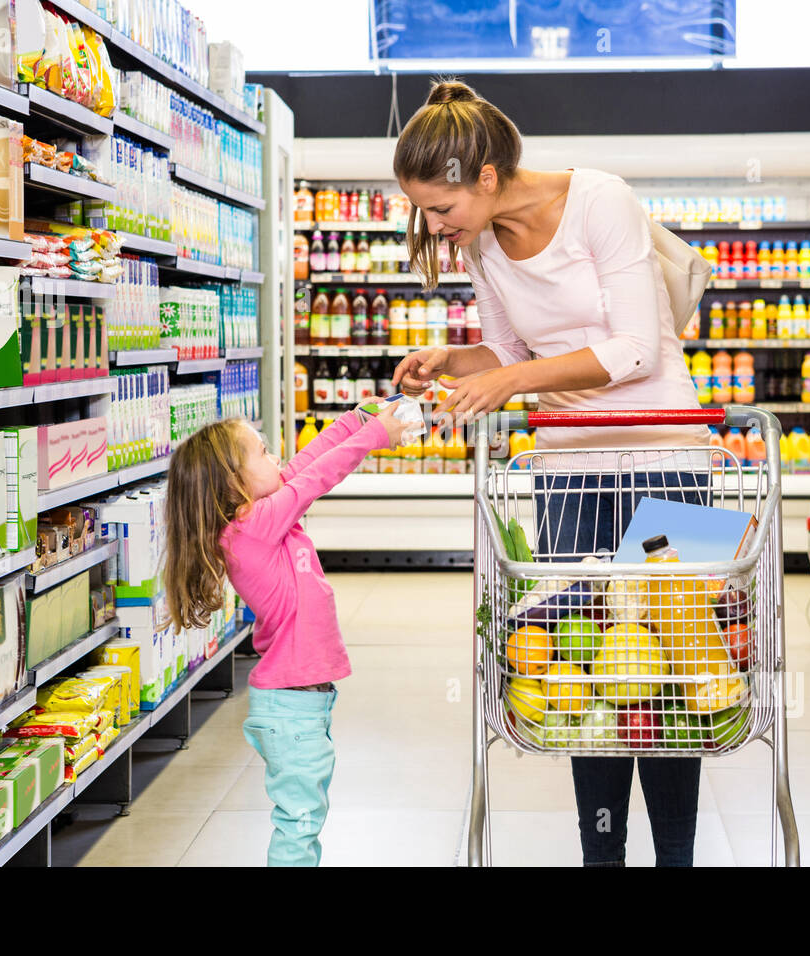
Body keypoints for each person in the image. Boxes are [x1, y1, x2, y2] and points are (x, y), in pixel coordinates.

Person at [391, 79, 711, 867]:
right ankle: (600, 856)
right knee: (581, 667)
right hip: (568, 464)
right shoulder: (483, 243)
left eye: (439, 207)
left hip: (665, 453)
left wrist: (506, 383)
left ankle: (677, 858)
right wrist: (454, 359)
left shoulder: (602, 201)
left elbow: (637, 347)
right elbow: (509, 352)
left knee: (671, 671)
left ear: (487, 178)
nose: (433, 227)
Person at [163, 406, 409, 865]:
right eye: (262, 451)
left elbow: (303, 467)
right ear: (235, 482)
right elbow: (314, 480)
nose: (275, 456)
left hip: (300, 701)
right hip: (292, 706)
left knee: (304, 815)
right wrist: (373, 436)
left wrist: (356, 419)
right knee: (300, 822)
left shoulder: (256, 516)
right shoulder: (253, 528)